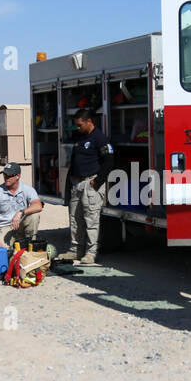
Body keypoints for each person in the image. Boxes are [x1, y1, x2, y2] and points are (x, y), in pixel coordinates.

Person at [66, 108, 113, 265]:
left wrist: (98, 181)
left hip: (91, 184)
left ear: (89, 122)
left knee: (91, 220)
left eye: (80, 125)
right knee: (75, 219)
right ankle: (75, 251)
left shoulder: (99, 138)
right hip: (77, 184)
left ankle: (91, 253)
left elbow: (109, 160)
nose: (77, 128)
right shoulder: (79, 137)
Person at [0, 163, 43, 248]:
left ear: (18, 176)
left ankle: (30, 243)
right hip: (3, 228)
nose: (6, 177)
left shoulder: (27, 189)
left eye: (10, 175)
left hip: (20, 227)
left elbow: (38, 206)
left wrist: (21, 212)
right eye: (5, 174)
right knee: (1, 255)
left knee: (34, 215)